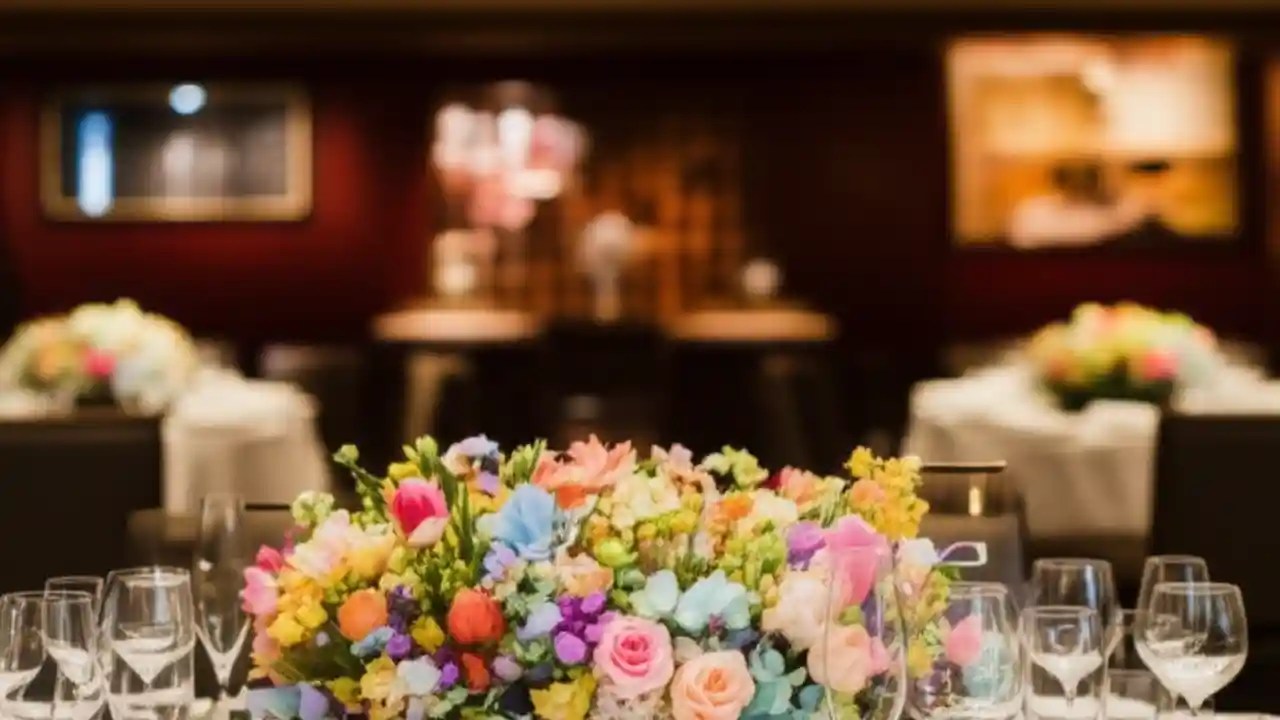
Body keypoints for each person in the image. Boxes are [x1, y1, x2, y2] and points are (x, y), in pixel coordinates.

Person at [1008, 161, 1140, 249]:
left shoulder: (1109, 213)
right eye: (1073, 180)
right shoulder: (1034, 209)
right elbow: (1022, 241)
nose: (1077, 185)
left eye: (1084, 180)